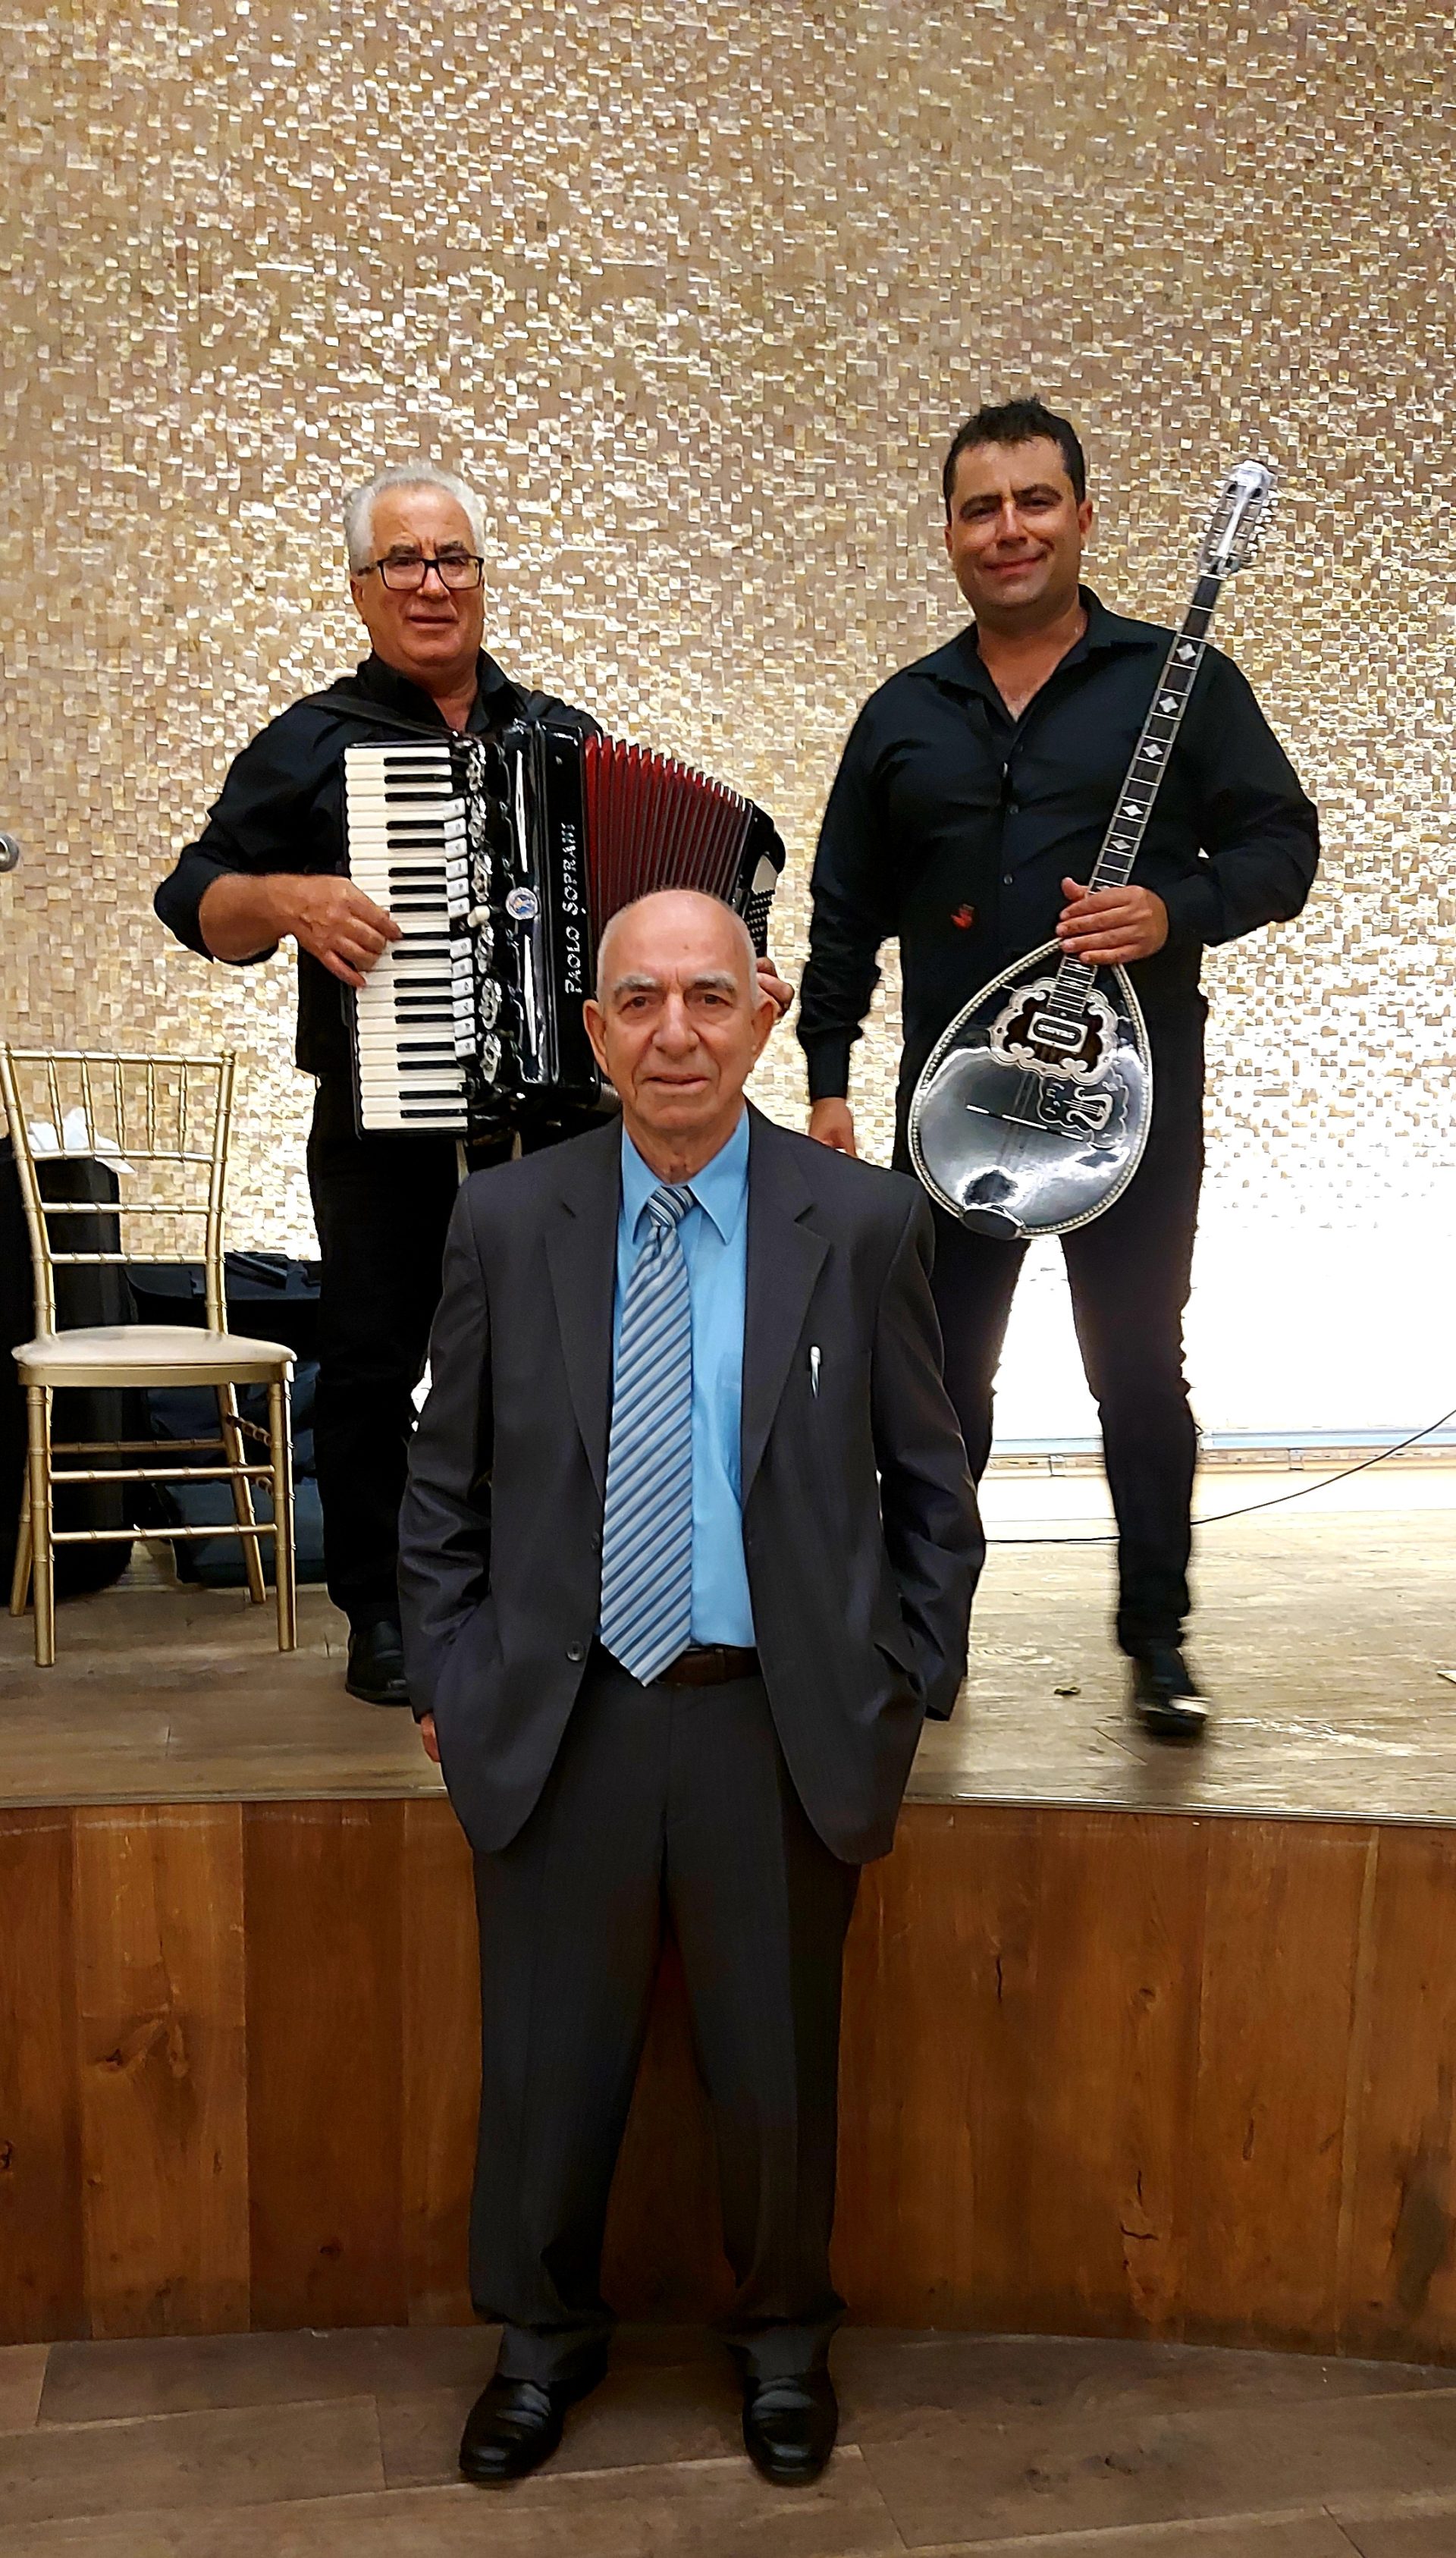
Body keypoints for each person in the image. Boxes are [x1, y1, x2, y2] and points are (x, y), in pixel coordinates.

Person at [398, 888, 981, 2488]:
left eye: (708, 998)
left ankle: (785, 2343)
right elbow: (439, 1484)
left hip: (771, 1716)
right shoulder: (509, 1222)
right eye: (639, 1002)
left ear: (765, 1013)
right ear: (594, 1030)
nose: (674, 1033)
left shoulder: (859, 1222)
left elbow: (936, 1485)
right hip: (563, 1710)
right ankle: (540, 2342)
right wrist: (451, 1663)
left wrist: (902, 1678)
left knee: (776, 2066)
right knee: (546, 2058)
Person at [155, 462, 788, 1706]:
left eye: (453, 559)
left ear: (483, 580)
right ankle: (384, 1611)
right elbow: (196, 902)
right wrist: (288, 902)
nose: (430, 583)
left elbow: (644, 908)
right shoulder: (313, 743)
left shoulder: (561, 738)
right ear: (361, 590)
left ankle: (544, 1586)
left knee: (550, 1357)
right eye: (403, 562)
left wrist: (717, 976)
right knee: (377, 1358)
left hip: (550, 1123)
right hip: (379, 1119)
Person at [799, 399, 1320, 1740]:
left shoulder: (1178, 681)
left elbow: (1282, 847)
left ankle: (1157, 1640)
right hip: (948, 1109)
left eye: (1037, 501)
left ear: (1084, 518)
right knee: (936, 1377)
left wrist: (1172, 912)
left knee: (1138, 1364)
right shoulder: (902, 713)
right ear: (952, 534)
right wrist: (829, 1075)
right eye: (982, 507)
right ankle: (928, 1633)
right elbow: (843, 912)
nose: (1010, 528)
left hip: (1125, 1107)